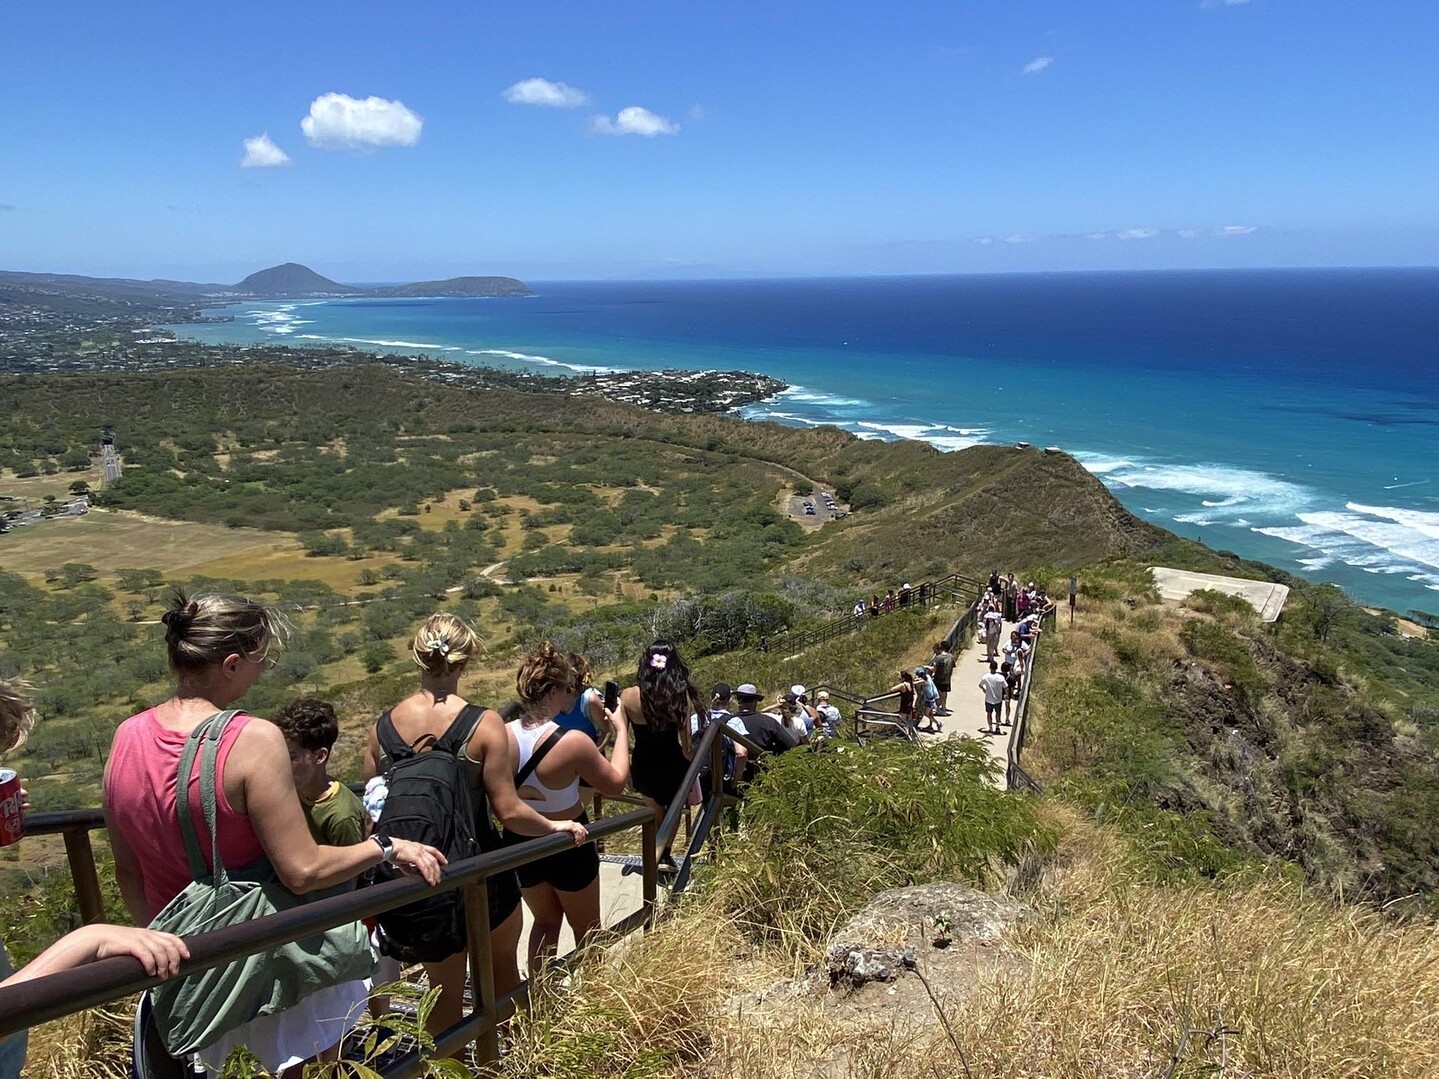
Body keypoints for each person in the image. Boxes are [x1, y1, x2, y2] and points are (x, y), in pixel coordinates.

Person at [103, 591, 446, 1078]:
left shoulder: (126, 736)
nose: (263, 670)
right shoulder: (251, 739)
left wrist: (171, 952)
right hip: (262, 961)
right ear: (232, 664)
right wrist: (385, 846)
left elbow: (128, 871)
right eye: (262, 658)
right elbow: (303, 871)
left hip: (182, 968)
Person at [364, 613, 587, 1038]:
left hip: (421, 880)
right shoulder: (483, 723)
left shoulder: (382, 730)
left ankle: (446, 1069)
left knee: (442, 994)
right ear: (464, 663)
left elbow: (373, 811)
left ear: (418, 659)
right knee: (502, 972)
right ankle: (513, 1058)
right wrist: (554, 827)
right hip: (482, 872)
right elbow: (508, 810)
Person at [503, 643, 630, 971]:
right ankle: (597, 996)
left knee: (544, 922)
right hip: (568, 843)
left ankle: (540, 1004)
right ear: (556, 690)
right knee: (588, 930)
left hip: (520, 842)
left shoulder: (501, 736)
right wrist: (621, 731)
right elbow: (615, 784)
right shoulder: (572, 742)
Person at [618, 641, 704, 835]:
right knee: (673, 813)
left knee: (657, 813)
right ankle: (663, 855)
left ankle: (656, 856)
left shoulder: (627, 695)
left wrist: (628, 775)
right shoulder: (678, 697)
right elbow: (687, 747)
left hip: (642, 764)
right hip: (672, 765)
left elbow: (622, 739)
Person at [273, 698, 366, 850]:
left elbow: (350, 870)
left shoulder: (342, 816)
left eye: (291, 757)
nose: (279, 762)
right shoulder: (291, 791)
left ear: (319, 756)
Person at [729, 685, 800, 785]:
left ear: (739, 700)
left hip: (731, 780)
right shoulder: (768, 722)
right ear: (755, 702)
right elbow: (791, 747)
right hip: (762, 779)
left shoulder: (728, 722)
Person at [978, 660, 1009, 736]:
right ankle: (997, 727)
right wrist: (1007, 695)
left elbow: (980, 685)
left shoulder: (985, 677)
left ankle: (990, 727)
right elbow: (1006, 687)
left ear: (990, 667)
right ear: (996, 668)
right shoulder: (1000, 677)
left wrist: (984, 689)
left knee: (989, 713)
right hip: (998, 699)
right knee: (998, 713)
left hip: (988, 698)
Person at [930, 641, 955, 715]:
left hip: (939, 678)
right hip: (947, 678)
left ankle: (939, 709)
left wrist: (927, 667)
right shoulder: (950, 656)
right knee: (944, 693)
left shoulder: (938, 658)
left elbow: (934, 669)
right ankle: (943, 707)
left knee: (939, 694)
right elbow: (953, 665)